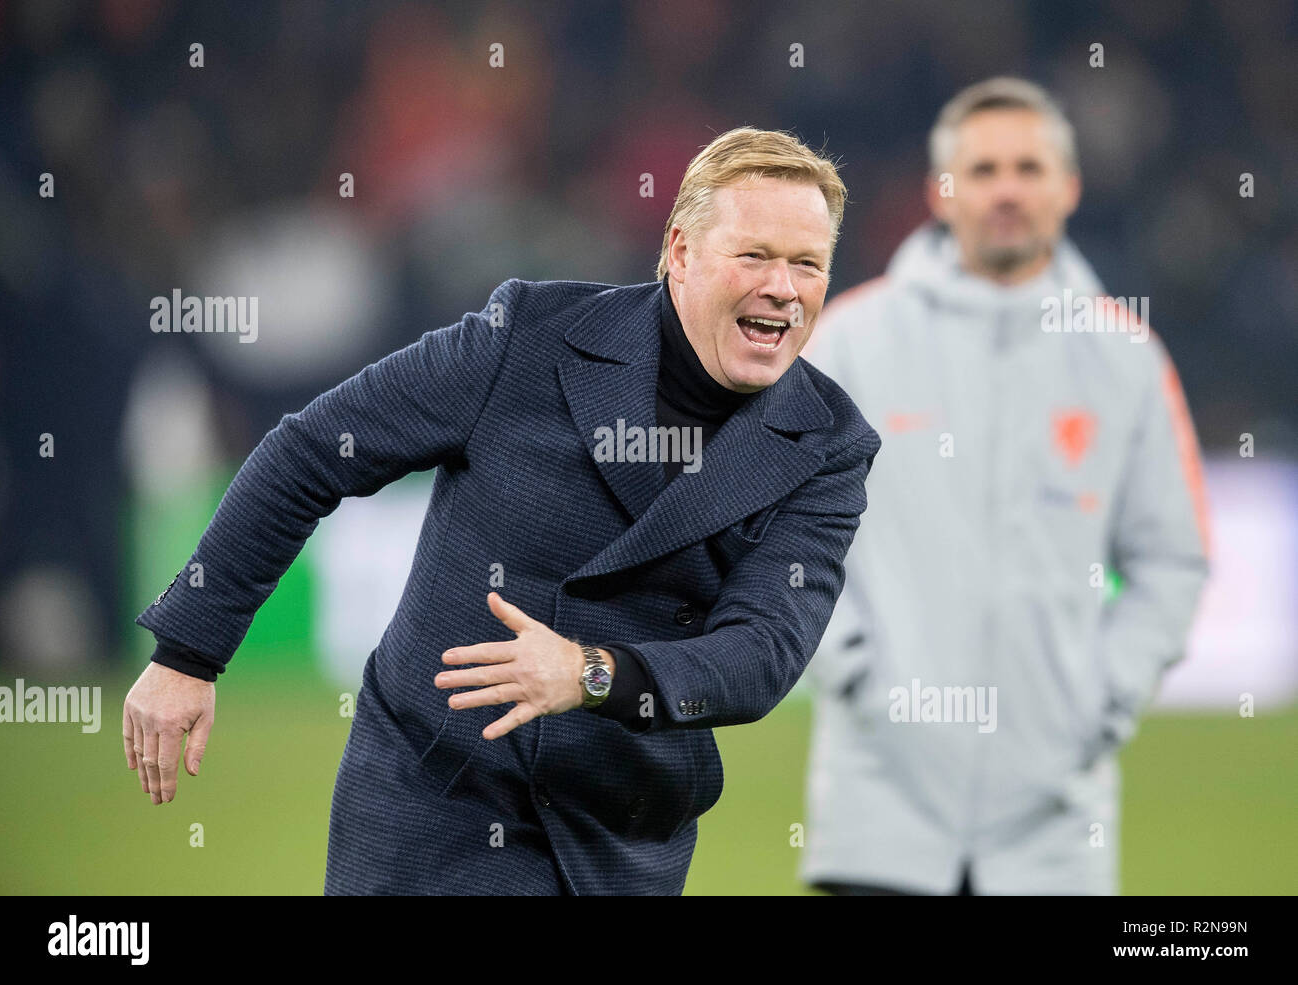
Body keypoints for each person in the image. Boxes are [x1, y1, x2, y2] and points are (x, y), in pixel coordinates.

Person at [124, 127, 882, 895]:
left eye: (808, 263)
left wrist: (588, 672)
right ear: (680, 253)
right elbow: (316, 448)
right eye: (754, 255)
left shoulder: (830, 446)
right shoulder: (528, 336)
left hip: (619, 836)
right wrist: (189, 649)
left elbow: (760, 654)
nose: (784, 287)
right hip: (435, 801)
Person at [799, 78, 1210, 896]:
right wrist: (856, 673)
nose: (1008, 189)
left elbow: (1174, 558)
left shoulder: (1127, 357)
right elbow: (784, 534)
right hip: (879, 811)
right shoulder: (850, 339)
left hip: (1054, 829)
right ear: (940, 193)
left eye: (1029, 167)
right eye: (983, 170)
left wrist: (1099, 702)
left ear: (1069, 188)